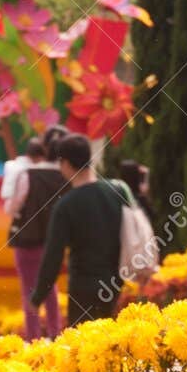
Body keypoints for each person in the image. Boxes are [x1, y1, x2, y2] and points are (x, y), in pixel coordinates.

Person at [32, 133, 123, 328]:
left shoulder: (66, 206)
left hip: (84, 287)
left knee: (85, 349)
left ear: (65, 163)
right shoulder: (115, 192)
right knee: (112, 345)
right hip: (116, 282)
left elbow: (53, 256)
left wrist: (38, 296)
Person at [4, 134, 67, 339]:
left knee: (28, 288)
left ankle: (33, 336)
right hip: (52, 241)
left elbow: (13, 207)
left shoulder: (27, 175)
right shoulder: (63, 176)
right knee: (50, 287)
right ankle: (55, 331)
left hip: (27, 240)